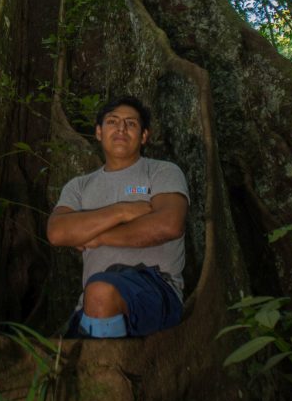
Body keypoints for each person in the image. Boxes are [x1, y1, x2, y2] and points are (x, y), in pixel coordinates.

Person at [47, 95, 189, 338]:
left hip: (156, 288)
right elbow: (57, 232)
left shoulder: (160, 172)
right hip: (92, 302)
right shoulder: (79, 187)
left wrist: (98, 236)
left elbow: (169, 224)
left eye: (131, 123)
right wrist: (122, 210)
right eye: (112, 122)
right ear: (99, 133)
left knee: (101, 291)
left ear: (144, 136)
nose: (121, 128)